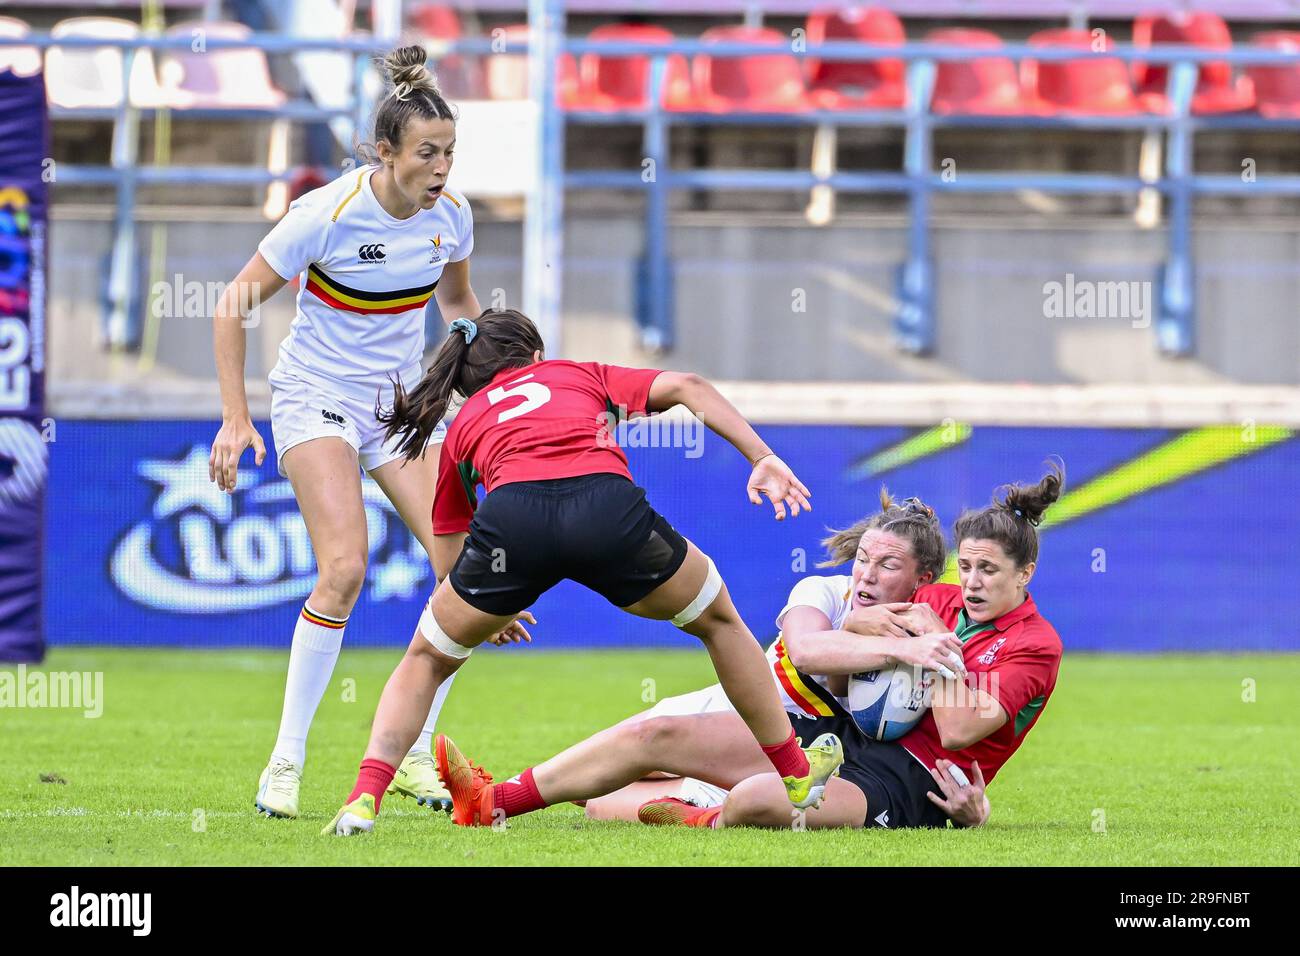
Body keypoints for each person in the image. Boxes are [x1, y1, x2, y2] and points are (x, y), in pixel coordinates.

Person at [320, 308, 845, 835]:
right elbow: (687, 384)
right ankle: (796, 774)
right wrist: (761, 456)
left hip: (513, 521)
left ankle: (364, 799)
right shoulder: (574, 373)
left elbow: (447, 561)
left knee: (427, 659)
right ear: (535, 357)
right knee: (719, 623)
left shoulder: (463, 426)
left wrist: (487, 607)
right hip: (606, 510)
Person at [430, 464, 1064, 832]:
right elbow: (856, 631)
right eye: (969, 568)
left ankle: (693, 815)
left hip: (910, 782)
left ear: (1024, 575)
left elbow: (955, 728)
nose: (972, 583)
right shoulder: (934, 601)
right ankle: (490, 802)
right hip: (830, 731)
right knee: (654, 737)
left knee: (758, 798)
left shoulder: (1034, 646)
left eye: (988, 571)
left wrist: (931, 644)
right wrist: (910, 633)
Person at [208, 45, 483, 819]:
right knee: (345, 568)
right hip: (316, 396)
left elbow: (457, 308)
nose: (442, 169)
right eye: (428, 154)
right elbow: (231, 304)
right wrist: (236, 417)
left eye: (451, 154)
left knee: (465, 577)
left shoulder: (453, 219)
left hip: (398, 407)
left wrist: (488, 369)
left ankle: (414, 756)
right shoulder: (324, 214)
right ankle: (285, 764)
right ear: (384, 153)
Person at [584, 490, 955, 820]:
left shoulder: (930, 636)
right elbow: (806, 652)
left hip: (785, 754)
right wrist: (880, 638)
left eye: (887, 565)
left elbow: (952, 728)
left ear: (923, 579)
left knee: (600, 806)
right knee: (588, 783)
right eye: (861, 559)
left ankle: (699, 811)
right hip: (719, 716)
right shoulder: (825, 592)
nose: (866, 576)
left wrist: (976, 808)